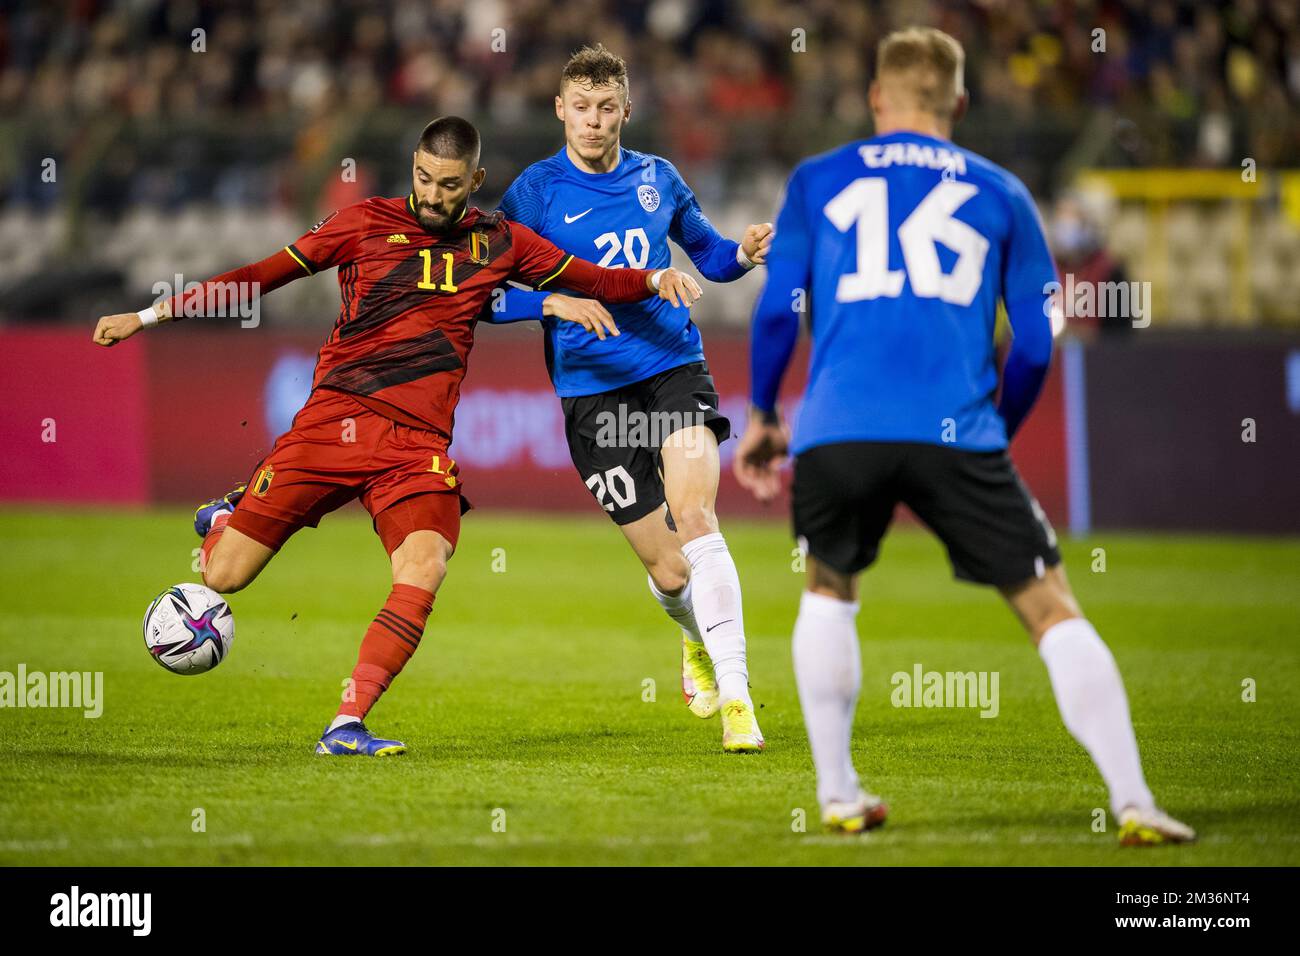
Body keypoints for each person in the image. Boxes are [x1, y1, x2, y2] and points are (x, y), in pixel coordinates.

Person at [92, 115, 702, 757]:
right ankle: (226, 519)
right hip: (333, 423)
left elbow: (592, 277)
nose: (434, 196)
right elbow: (259, 276)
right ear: (412, 166)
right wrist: (147, 314)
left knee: (425, 564)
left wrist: (653, 279)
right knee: (223, 576)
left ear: (477, 180)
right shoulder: (362, 223)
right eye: (424, 179)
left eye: (449, 184)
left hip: (416, 448)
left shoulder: (500, 242)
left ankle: (345, 724)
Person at [734, 27, 1195, 845]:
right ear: (960, 102)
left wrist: (766, 411)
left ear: (877, 97)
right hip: (959, 430)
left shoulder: (817, 179)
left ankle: (838, 794)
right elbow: (1040, 338)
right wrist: (998, 429)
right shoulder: (1005, 191)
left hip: (841, 430)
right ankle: (1133, 802)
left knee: (829, 587)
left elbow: (778, 310)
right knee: (1049, 604)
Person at [490, 45, 773, 753]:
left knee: (697, 513)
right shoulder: (533, 193)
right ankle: (695, 644)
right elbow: (486, 294)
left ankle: (739, 700)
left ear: (625, 109)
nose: (593, 121)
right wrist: (551, 304)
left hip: (672, 364)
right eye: (580, 108)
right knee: (670, 571)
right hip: (592, 394)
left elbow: (705, 253)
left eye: (606, 108)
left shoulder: (658, 177)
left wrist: (739, 255)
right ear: (560, 109)